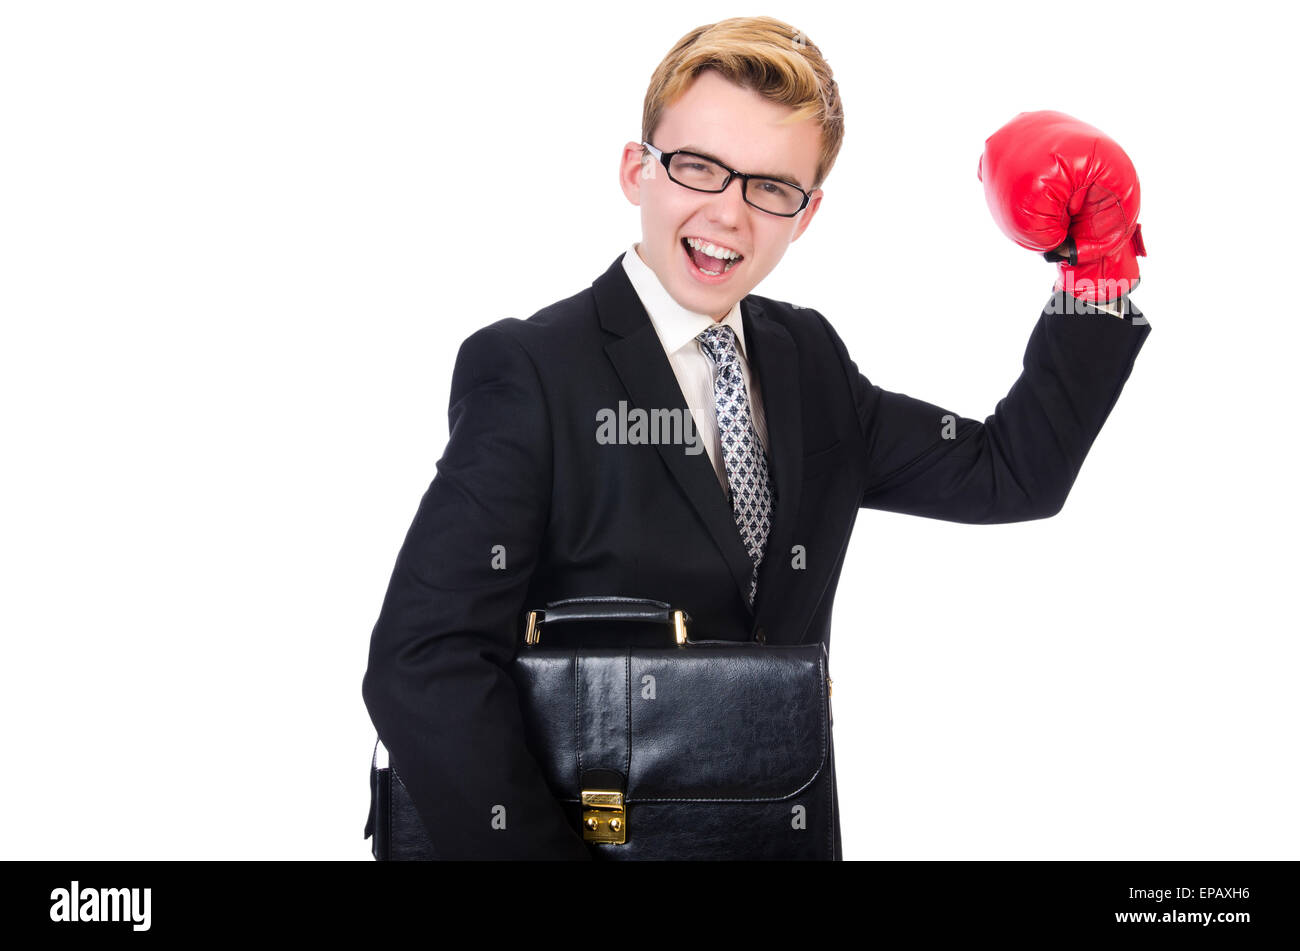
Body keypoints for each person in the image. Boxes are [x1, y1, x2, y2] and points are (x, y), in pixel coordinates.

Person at [361, 15, 1151, 860]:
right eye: (698, 166)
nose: (729, 214)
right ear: (637, 170)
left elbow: (1009, 473)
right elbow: (423, 659)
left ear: (806, 214)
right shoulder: (529, 368)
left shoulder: (807, 358)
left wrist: (1095, 274)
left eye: (771, 186)